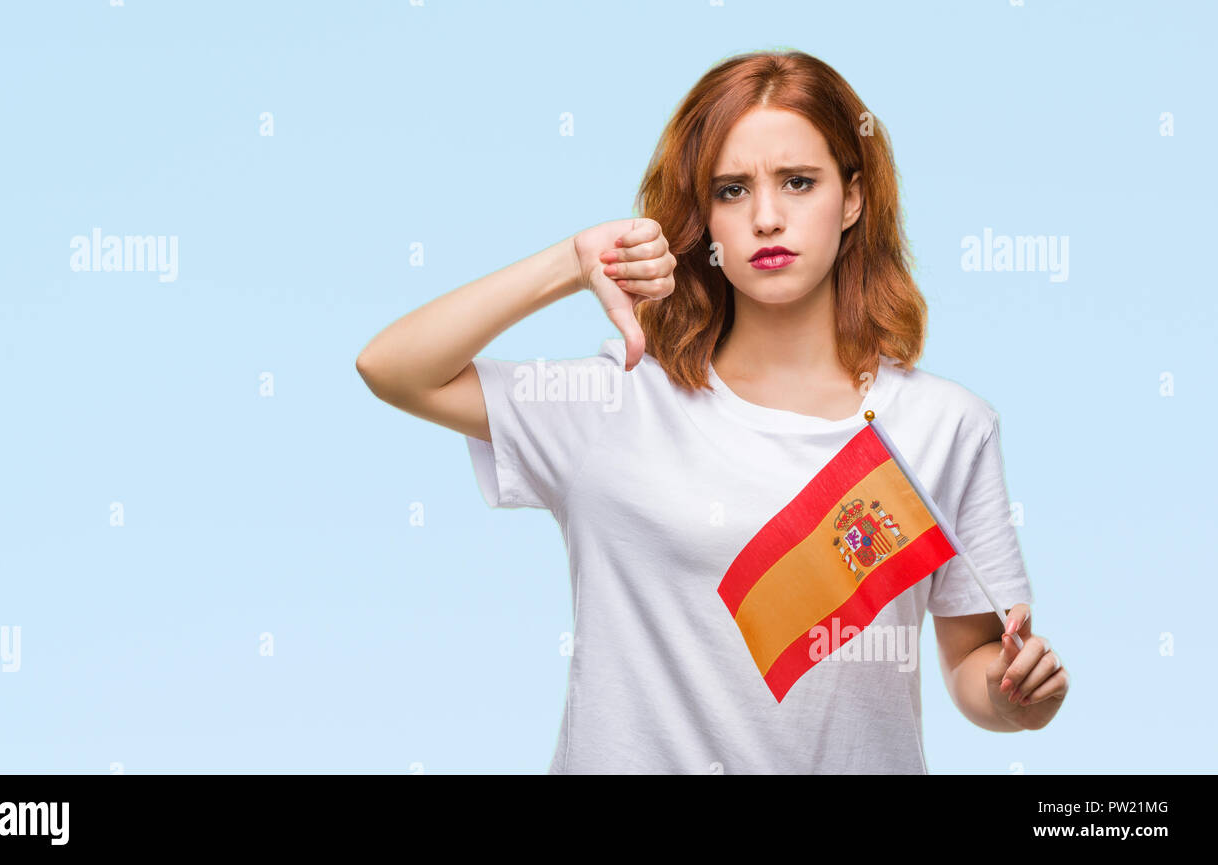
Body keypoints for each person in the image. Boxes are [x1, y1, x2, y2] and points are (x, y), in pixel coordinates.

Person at [357, 49, 1069, 774]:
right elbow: (392, 368)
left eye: (798, 182)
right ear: (702, 219)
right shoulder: (615, 401)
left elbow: (973, 659)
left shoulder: (944, 425)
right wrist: (570, 266)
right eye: (731, 190)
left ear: (852, 197)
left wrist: (1016, 698)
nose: (766, 217)